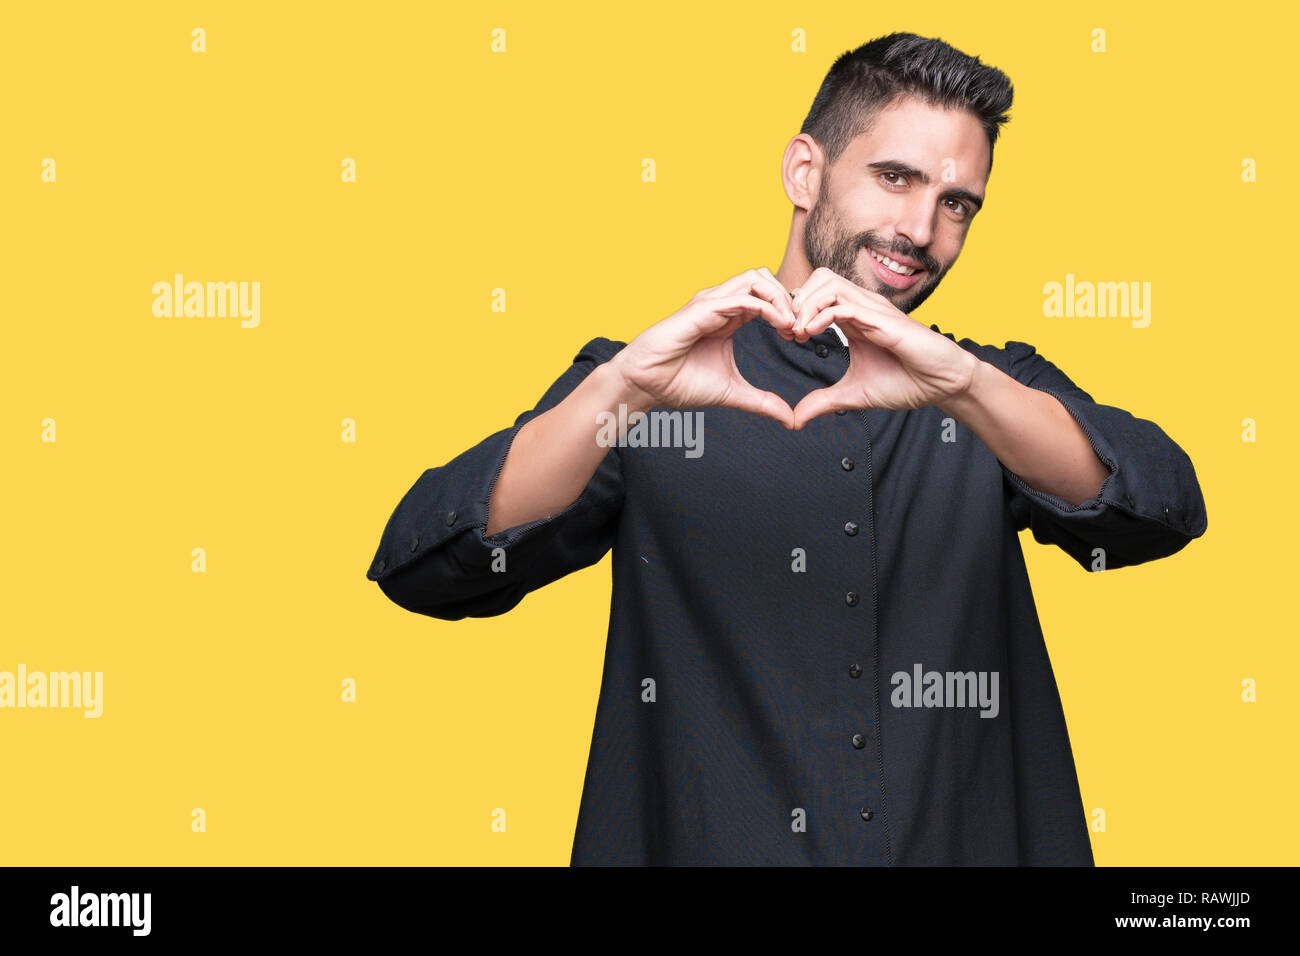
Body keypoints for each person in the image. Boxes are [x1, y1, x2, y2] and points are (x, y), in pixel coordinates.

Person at [365, 32, 1207, 865]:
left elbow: (1157, 507)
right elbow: (431, 568)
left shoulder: (990, 391)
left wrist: (964, 387)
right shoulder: (650, 385)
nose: (922, 228)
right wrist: (620, 393)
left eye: (958, 203)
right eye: (895, 177)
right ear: (806, 172)